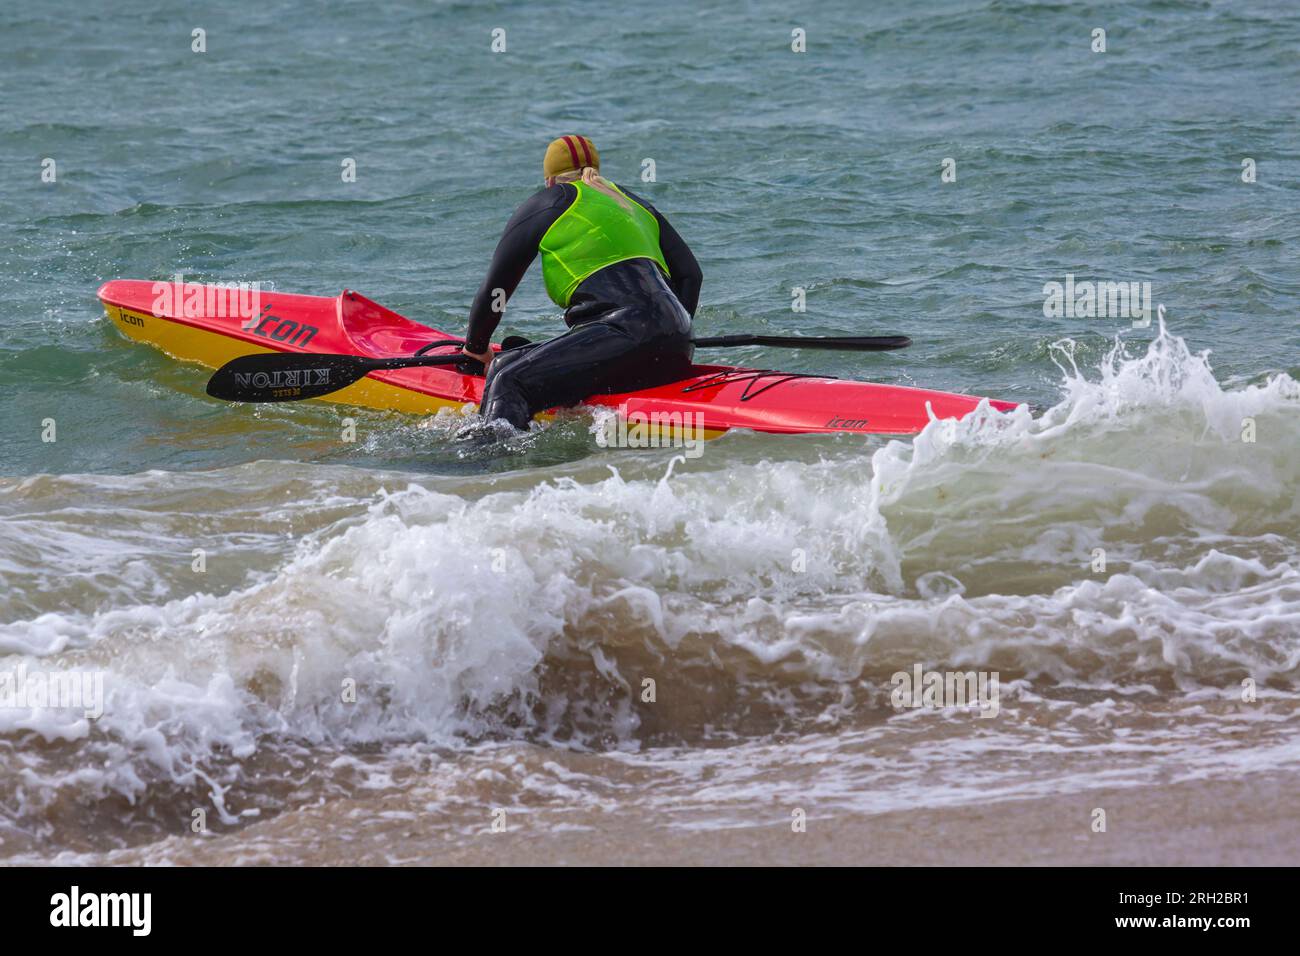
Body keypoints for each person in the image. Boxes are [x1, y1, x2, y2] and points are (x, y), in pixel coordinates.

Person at [460, 135, 702, 430]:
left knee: (510, 383)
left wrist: (476, 347)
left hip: (624, 336)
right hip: (678, 341)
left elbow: (496, 289)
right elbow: (691, 276)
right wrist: (669, 339)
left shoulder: (550, 200)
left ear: (550, 179)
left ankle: (480, 466)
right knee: (503, 365)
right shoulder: (632, 202)